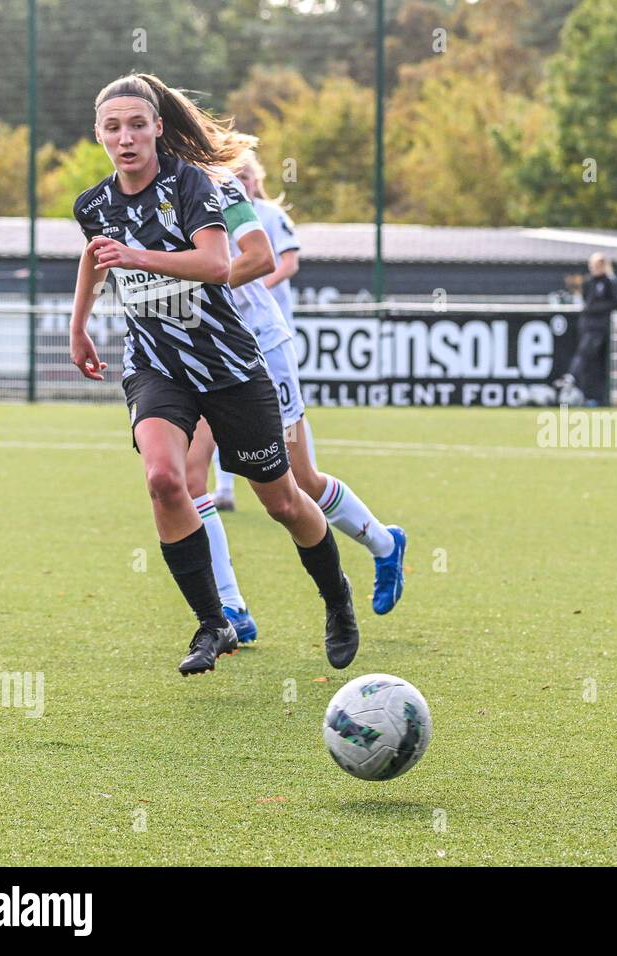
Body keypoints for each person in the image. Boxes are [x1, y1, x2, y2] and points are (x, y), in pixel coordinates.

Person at [68, 72, 361, 675]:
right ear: (98, 134)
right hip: (156, 367)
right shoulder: (93, 203)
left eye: (137, 125)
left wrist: (138, 257)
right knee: (164, 480)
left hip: (227, 365)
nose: (126, 138)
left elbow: (216, 261)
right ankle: (213, 623)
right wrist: (79, 326)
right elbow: (95, 256)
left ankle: (338, 601)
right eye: (113, 127)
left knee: (282, 500)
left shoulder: (191, 182)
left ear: (155, 128)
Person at [185, 161, 406, 644]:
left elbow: (267, 260)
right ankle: (231, 609)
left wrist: (193, 283)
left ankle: (385, 543)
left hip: (262, 346)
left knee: (299, 481)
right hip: (205, 356)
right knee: (186, 477)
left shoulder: (227, 196)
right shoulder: (155, 198)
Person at [211, 150, 303, 510]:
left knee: (286, 423)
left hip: (266, 331)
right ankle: (224, 490)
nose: (243, 181)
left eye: (247, 175)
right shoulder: (204, 205)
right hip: (223, 334)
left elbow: (284, 261)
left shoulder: (268, 215)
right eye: (239, 175)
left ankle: (296, 485)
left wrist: (255, 285)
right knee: (216, 419)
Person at [555, 253, 617, 406]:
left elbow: (613, 303)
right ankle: (581, 391)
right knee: (586, 360)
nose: (594, 269)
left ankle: (575, 380)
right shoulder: (588, 282)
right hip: (586, 327)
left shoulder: (609, 282)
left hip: (600, 329)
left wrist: (593, 309)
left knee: (594, 361)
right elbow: (585, 302)